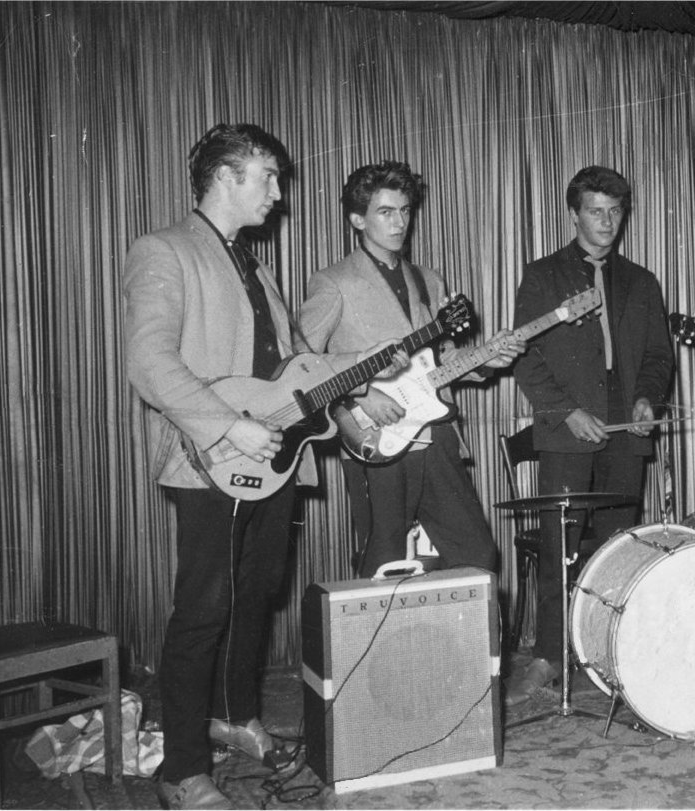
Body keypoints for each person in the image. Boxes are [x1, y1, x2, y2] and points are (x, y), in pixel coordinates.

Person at [124, 125, 405, 809]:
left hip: (276, 462)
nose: (280, 194)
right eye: (268, 177)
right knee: (202, 609)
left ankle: (233, 714)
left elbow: (299, 367)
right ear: (225, 176)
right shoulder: (164, 250)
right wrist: (228, 423)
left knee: (255, 596)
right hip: (213, 459)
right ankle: (183, 766)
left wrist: (369, 372)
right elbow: (149, 362)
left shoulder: (256, 267)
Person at [297, 161, 523, 578]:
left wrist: (486, 360)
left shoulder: (428, 280)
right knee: (383, 560)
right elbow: (301, 360)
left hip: (435, 434)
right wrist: (360, 394)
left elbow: (444, 358)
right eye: (386, 212)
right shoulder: (334, 282)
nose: (400, 222)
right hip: (374, 435)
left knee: (477, 554)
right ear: (357, 218)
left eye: (405, 211)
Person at [506, 165, 675, 706]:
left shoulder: (642, 281)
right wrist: (564, 412)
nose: (606, 221)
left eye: (615, 211)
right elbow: (526, 362)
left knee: (615, 550)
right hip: (566, 433)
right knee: (561, 549)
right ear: (574, 213)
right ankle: (549, 658)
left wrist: (648, 399)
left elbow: (657, 358)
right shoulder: (541, 277)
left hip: (626, 434)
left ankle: (605, 653)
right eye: (595, 211)